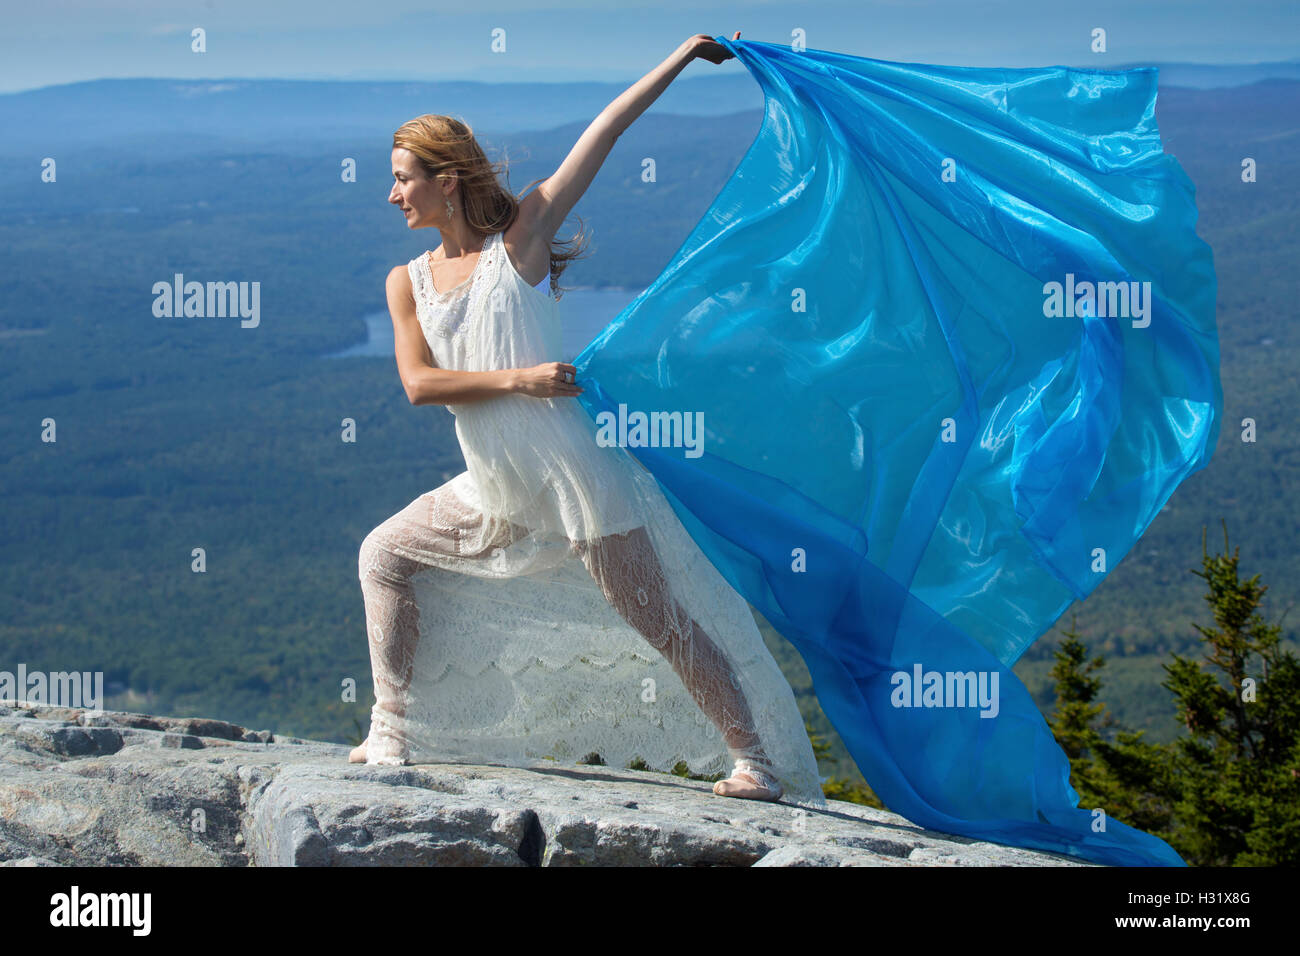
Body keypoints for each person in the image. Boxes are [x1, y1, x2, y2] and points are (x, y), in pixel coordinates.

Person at [352, 33, 827, 808]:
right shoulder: (406, 281)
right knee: (384, 555)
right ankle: (391, 733)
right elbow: (419, 384)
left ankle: (755, 764)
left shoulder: (522, 240)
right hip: (495, 486)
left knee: (661, 620)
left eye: (404, 180)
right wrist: (522, 379)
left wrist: (679, 57)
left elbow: (605, 131)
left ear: (447, 181)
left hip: (575, 478)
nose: (393, 195)